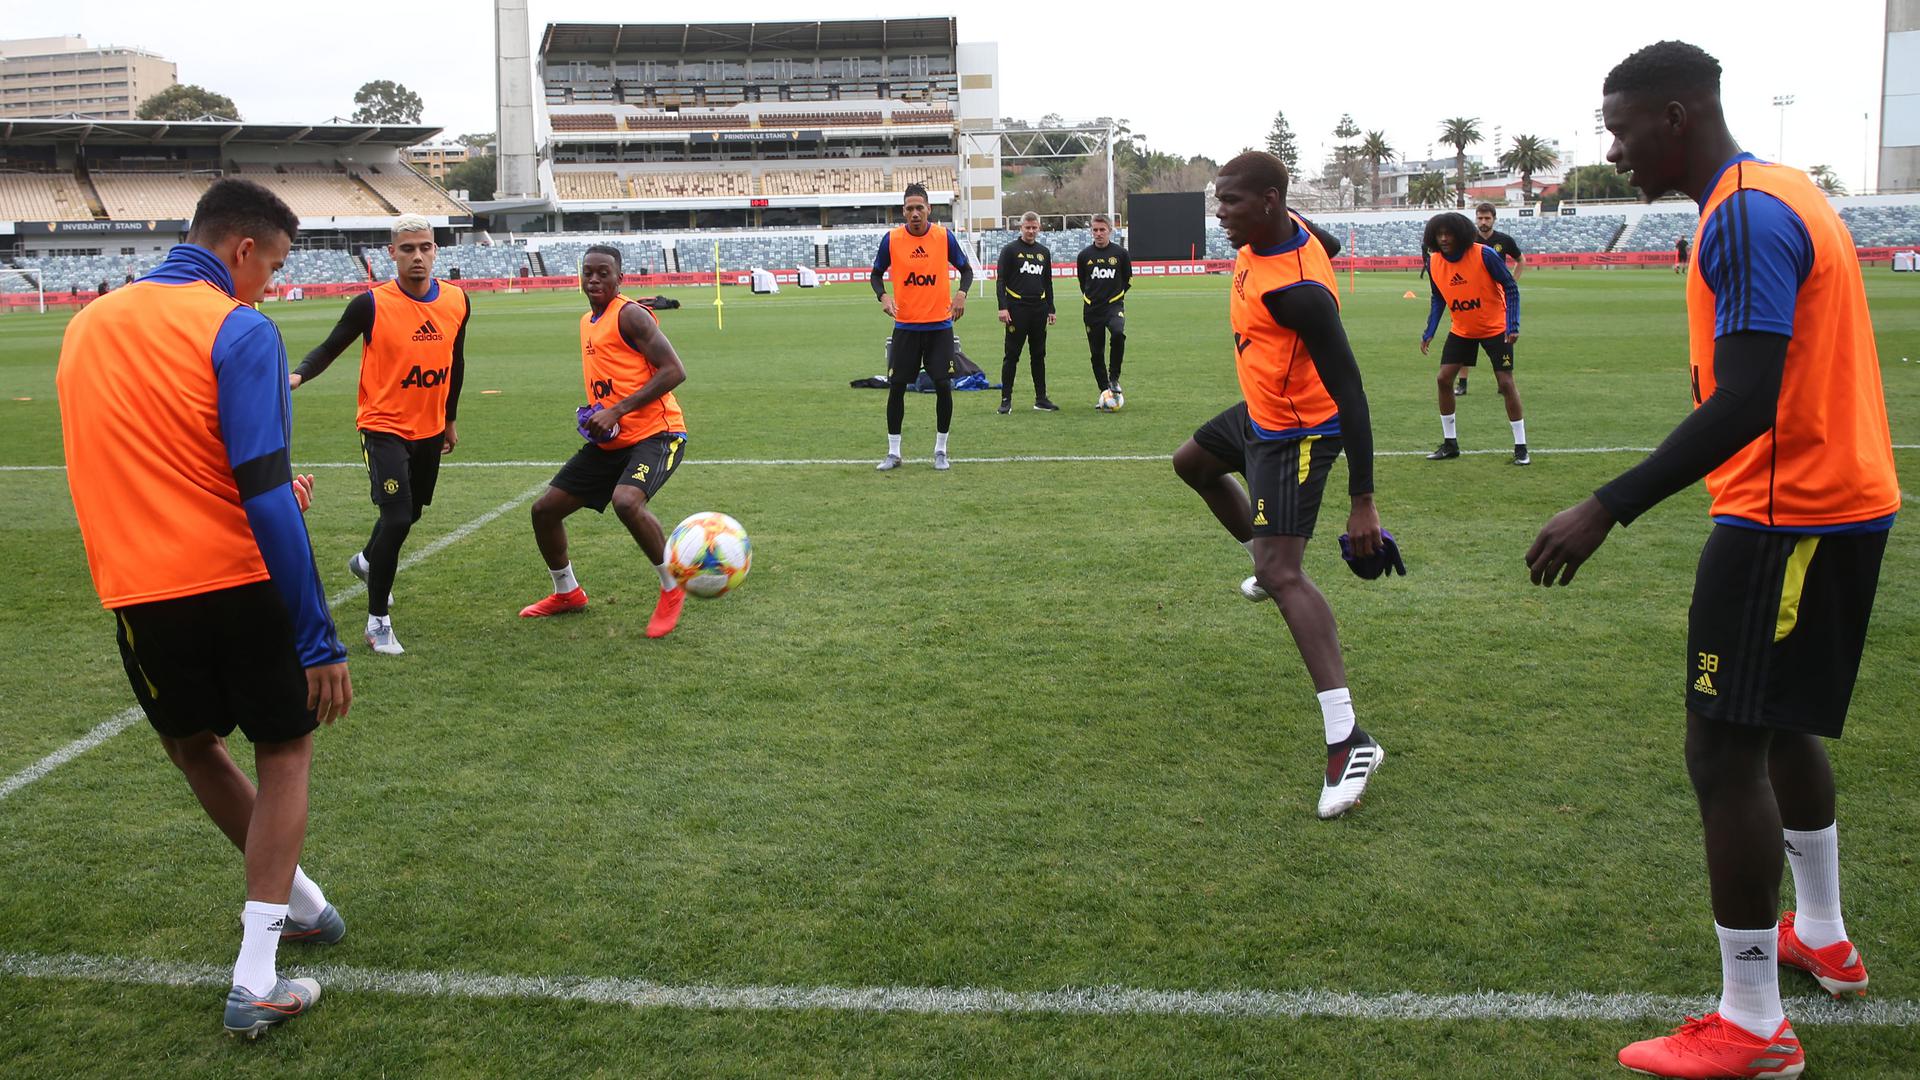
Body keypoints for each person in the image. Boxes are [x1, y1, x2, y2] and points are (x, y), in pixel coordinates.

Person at [1528, 40, 1899, 1080]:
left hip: (1785, 518)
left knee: (1723, 751)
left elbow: (1748, 398)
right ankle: (1821, 933)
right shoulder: (1783, 190)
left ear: (1677, 115)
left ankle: (1751, 1023)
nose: (1614, 149)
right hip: (1842, 505)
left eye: (1621, 128)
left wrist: (1608, 505)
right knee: (1776, 728)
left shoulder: (1740, 214)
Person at [55, 177, 352, 1038]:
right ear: (242, 250)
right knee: (286, 753)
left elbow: (148, 452)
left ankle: (299, 903)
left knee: (194, 747)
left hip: (135, 587)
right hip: (235, 577)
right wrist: (317, 634)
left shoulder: (87, 324)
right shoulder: (239, 326)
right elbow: (261, 495)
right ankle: (257, 976)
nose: (272, 286)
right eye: (276, 267)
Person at [1173, 151, 1388, 819]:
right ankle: (1263, 561)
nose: (1219, 213)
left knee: (1284, 569)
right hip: (1260, 418)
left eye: (1230, 202)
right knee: (1194, 464)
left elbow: (1352, 391)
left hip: (1297, 436)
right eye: (1217, 200)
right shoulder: (1281, 226)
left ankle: (1349, 738)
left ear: (1267, 201)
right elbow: (1315, 237)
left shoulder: (1299, 292)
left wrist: (1363, 501)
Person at [291, 215, 468, 656]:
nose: (417, 256)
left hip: (428, 428)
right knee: (396, 517)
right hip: (383, 427)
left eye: (425, 247)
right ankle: (378, 623)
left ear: (435, 251)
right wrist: (298, 375)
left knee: (412, 514)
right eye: (407, 249)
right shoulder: (370, 304)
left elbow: (455, 363)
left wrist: (448, 418)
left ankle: (367, 562)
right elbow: (331, 347)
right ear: (391, 253)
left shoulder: (457, 301)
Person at [519, 245, 690, 637]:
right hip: (612, 441)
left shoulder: (630, 315)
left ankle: (671, 586)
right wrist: (601, 412)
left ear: (619, 278)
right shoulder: (587, 321)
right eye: (588, 273)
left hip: (657, 433)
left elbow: (673, 371)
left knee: (626, 501)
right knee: (544, 511)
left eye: (603, 274)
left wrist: (617, 410)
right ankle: (567, 593)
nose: (594, 280)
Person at [871, 183, 972, 470]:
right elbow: (876, 275)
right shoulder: (891, 240)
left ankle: (940, 450)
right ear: (903, 212)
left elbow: (966, 269)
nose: (915, 213)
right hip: (906, 327)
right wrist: (884, 296)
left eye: (919, 208)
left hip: (939, 327)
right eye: (909, 209)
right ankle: (894, 452)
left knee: (943, 385)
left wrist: (961, 294)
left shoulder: (943, 237)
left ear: (929, 209)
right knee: (897, 387)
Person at [1420, 211, 1529, 465]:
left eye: (1449, 233)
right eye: (1439, 234)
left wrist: (1512, 323)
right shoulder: (1434, 261)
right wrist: (1430, 330)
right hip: (1462, 330)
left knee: (1505, 383)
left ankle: (1521, 447)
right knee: (1444, 379)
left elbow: (1511, 287)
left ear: (1461, 234)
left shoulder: (1484, 254)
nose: (1444, 238)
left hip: (1495, 328)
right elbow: (1438, 298)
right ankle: (1450, 444)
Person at [1458, 202, 1526, 395]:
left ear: (1494, 219)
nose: (1483, 222)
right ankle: (1462, 384)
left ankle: (1503, 383)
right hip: (1473, 298)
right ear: (1476, 219)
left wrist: (1512, 282)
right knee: (1465, 339)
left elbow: (1521, 259)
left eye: (1487, 218)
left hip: (1497, 300)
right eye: (1480, 218)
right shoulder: (1468, 241)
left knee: (1499, 340)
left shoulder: (1504, 240)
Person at [995, 211, 1059, 413]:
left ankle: (1041, 399)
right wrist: (1003, 307)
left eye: (1034, 228)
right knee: (1012, 355)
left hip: (1038, 310)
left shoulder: (1043, 252)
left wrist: (1051, 308)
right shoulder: (1010, 250)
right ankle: (1006, 400)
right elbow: (1001, 281)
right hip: (1017, 309)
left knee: (1038, 355)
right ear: (1020, 227)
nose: (1031, 231)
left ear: (1039, 228)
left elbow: (1047, 282)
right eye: (1027, 227)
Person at [1077, 214, 1132, 408]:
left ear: (1110, 230)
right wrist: (1093, 297)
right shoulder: (1084, 255)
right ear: (1091, 231)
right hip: (1092, 309)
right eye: (1095, 230)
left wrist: (1114, 298)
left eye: (1102, 230)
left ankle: (1114, 377)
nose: (1098, 233)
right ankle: (1104, 391)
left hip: (1113, 306)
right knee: (1096, 352)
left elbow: (1127, 280)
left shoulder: (1121, 254)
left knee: (1118, 333)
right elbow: (1083, 282)